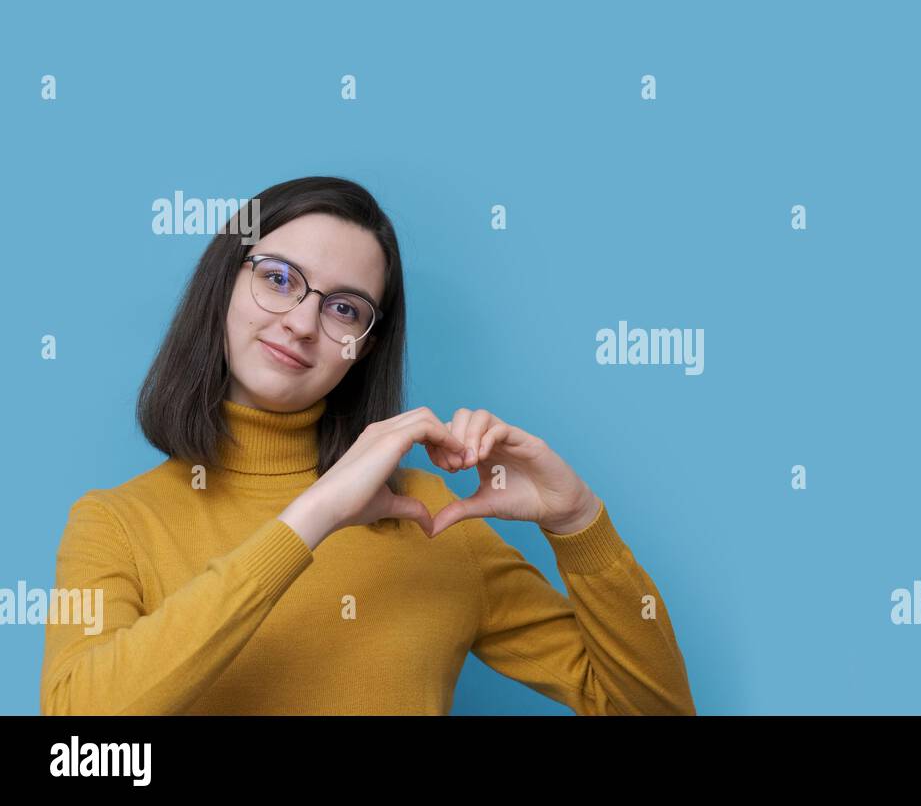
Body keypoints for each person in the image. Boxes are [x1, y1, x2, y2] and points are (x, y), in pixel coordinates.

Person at [39, 176, 695, 715]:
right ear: (224, 283)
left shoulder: (433, 519)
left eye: (344, 309)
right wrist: (312, 516)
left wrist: (578, 522)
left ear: (365, 348)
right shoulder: (114, 523)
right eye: (278, 278)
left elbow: (654, 710)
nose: (300, 323)